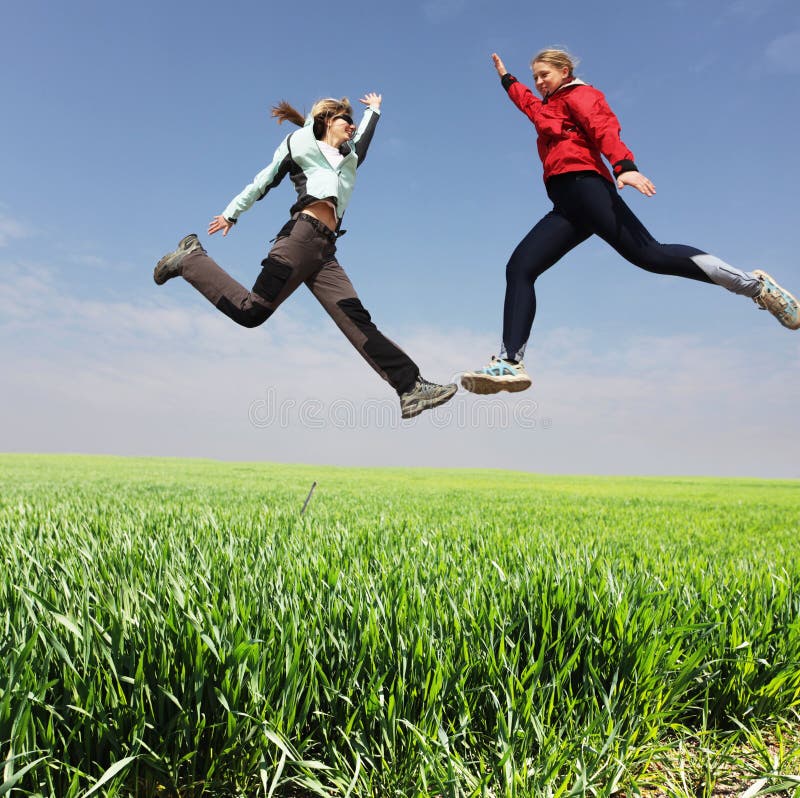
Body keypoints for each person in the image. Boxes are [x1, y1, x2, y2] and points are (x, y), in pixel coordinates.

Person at [461, 50, 800, 395]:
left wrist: (624, 166)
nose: (538, 82)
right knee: (520, 268)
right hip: (565, 205)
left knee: (651, 255)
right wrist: (507, 79)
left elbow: (603, 127)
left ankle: (756, 287)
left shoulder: (582, 95)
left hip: (587, 187)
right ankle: (511, 363)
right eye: (534, 77)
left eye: (544, 75)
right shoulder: (548, 105)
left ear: (565, 71)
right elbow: (528, 104)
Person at [155, 93, 456, 419]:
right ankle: (189, 259)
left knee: (358, 321)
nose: (351, 126)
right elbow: (264, 179)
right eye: (345, 120)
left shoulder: (350, 157)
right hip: (299, 238)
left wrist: (374, 110)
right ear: (328, 120)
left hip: (325, 253)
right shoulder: (299, 144)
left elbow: (364, 136)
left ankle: (410, 387)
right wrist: (232, 213)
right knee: (251, 312)